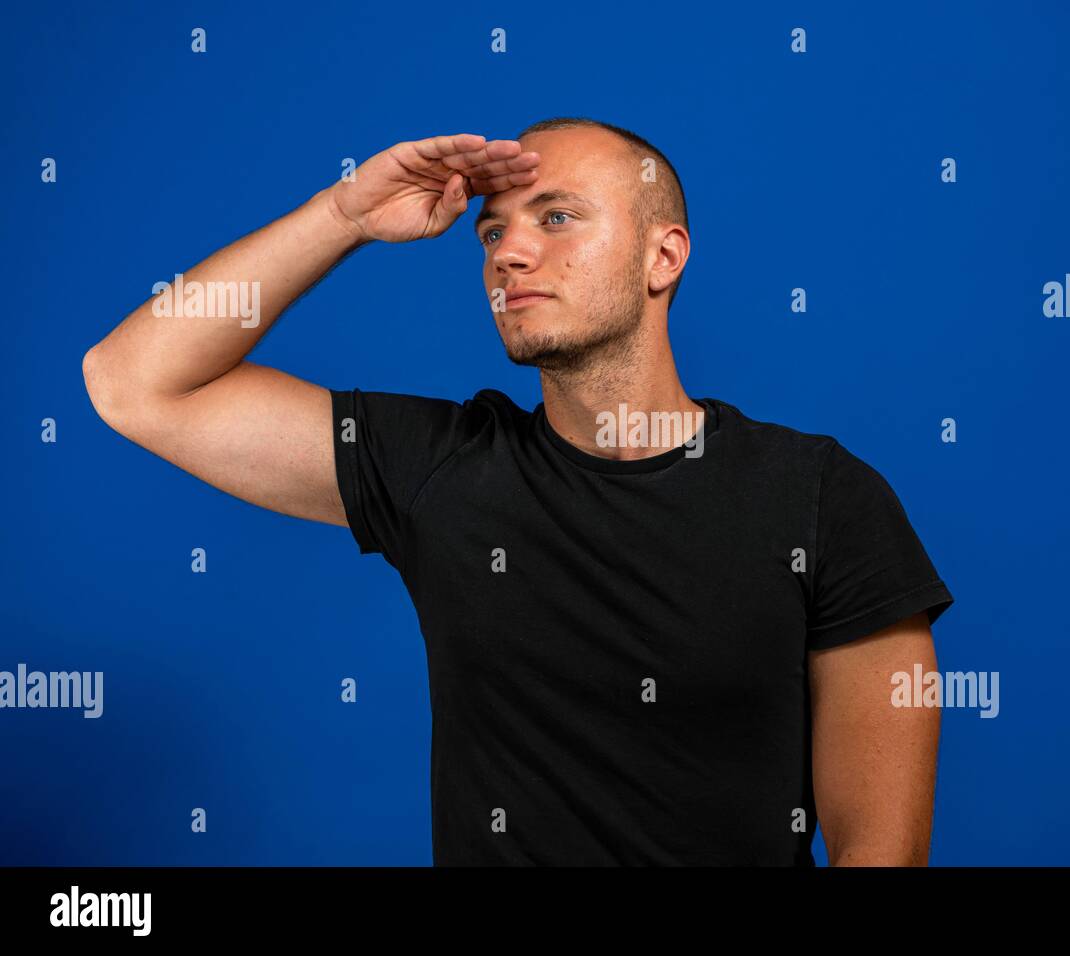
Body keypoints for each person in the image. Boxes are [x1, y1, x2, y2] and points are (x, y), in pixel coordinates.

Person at [82, 117, 955, 866]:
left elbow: (880, 849)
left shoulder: (821, 497)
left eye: (558, 217)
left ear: (663, 257)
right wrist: (342, 214)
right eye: (490, 233)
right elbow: (134, 383)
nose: (511, 253)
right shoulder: (442, 469)